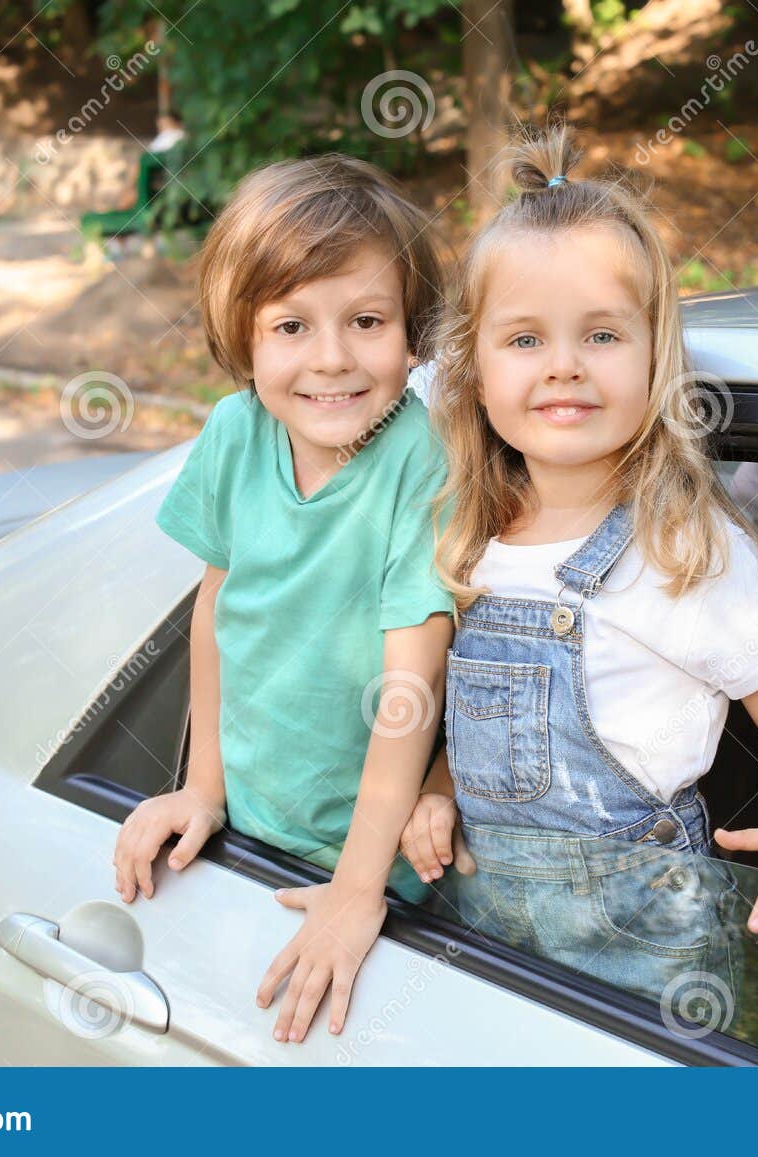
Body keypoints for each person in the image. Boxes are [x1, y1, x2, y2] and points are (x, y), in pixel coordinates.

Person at [400, 124, 758, 1015]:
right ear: (472, 371)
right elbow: (477, 732)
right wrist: (436, 790)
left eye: (603, 335)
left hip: (646, 971)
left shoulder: (683, 550)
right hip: (488, 946)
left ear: (656, 354)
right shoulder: (467, 538)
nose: (565, 367)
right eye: (525, 340)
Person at [110, 154, 454, 1045]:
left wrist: (358, 886)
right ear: (246, 339)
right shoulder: (234, 432)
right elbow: (218, 612)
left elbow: (411, 683)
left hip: (389, 876)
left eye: (368, 321)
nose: (332, 358)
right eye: (292, 325)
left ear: (414, 336)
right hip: (253, 844)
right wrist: (202, 791)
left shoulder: (421, 459)